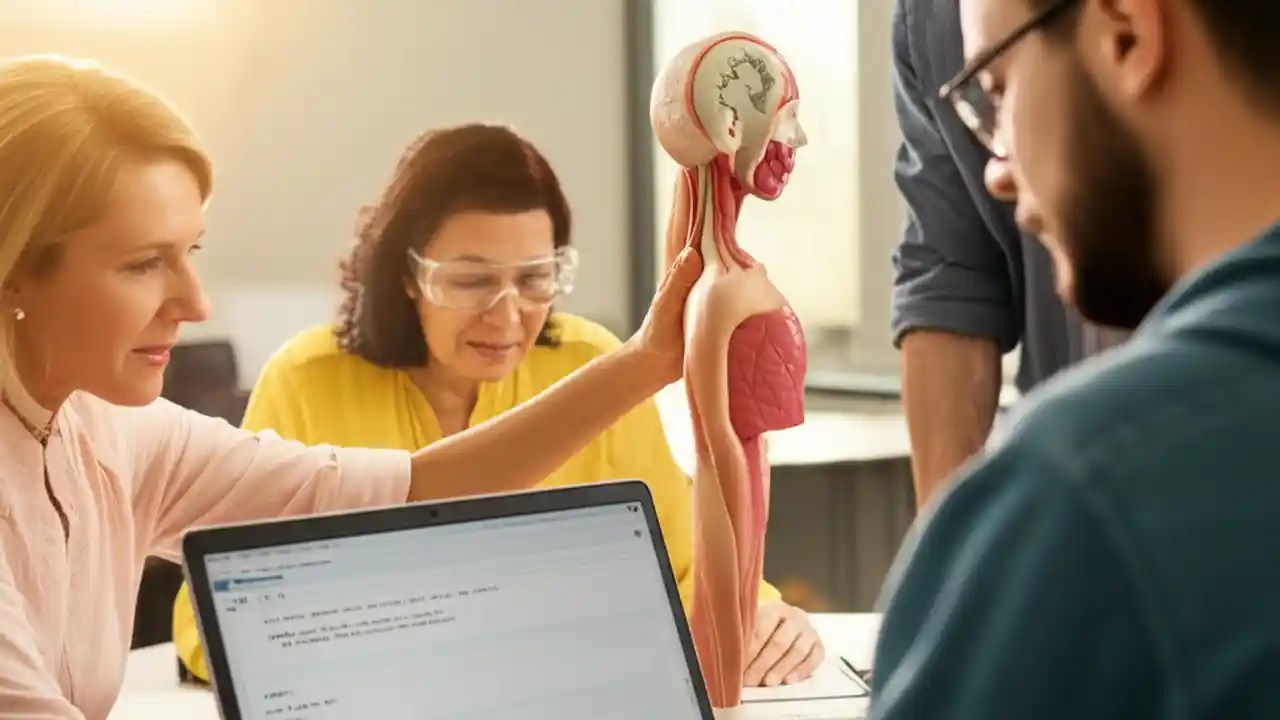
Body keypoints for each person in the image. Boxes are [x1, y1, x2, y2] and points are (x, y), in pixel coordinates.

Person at [0, 54, 701, 720]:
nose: (195, 302)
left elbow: (414, 491)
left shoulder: (117, 433)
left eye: (191, 253)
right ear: (16, 269)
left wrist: (646, 362)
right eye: (143, 264)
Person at [169, 123, 824, 688]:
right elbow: (212, 618)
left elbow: (683, 571)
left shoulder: (591, 365)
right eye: (471, 280)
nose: (507, 316)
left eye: (535, 278)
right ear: (406, 274)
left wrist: (758, 616)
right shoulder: (307, 380)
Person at [870, 0, 1280, 718]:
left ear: (1126, 33)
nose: (995, 171)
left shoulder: (1088, 496)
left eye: (998, 89)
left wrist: (992, 581)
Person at [889, 0, 1129, 507]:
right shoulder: (928, 18)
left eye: (1001, 89)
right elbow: (949, 277)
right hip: (1065, 501)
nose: (999, 177)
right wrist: (949, 568)